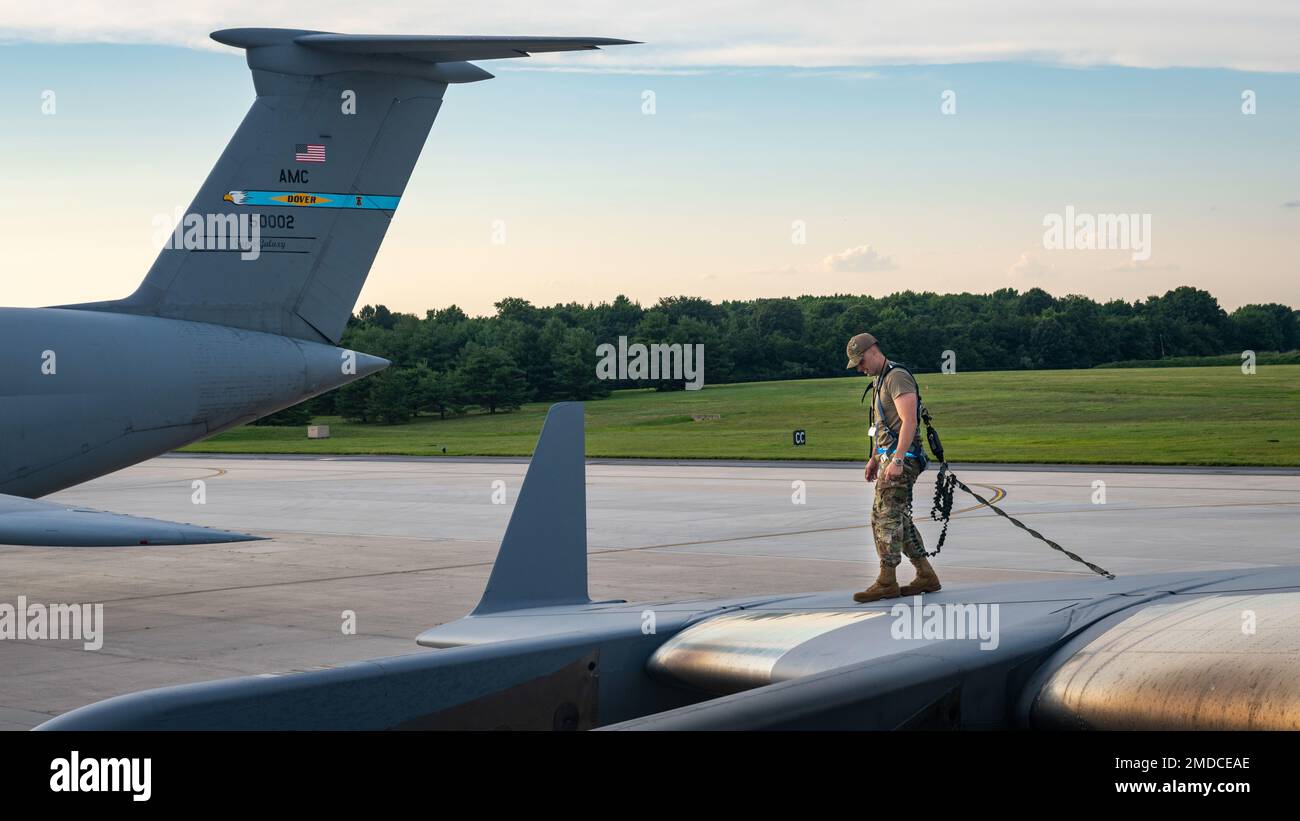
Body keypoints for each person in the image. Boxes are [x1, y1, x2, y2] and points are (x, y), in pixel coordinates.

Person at [844, 332, 941, 602]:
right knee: (898, 518)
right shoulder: (879, 379)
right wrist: (875, 457)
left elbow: (909, 421)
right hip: (889, 456)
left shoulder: (896, 377)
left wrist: (897, 460)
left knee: (884, 516)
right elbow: (881, 427)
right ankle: (925, 575)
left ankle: (887, 580)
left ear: (873, 351)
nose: (860, 368)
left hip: (904, 457)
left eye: (861, 362)